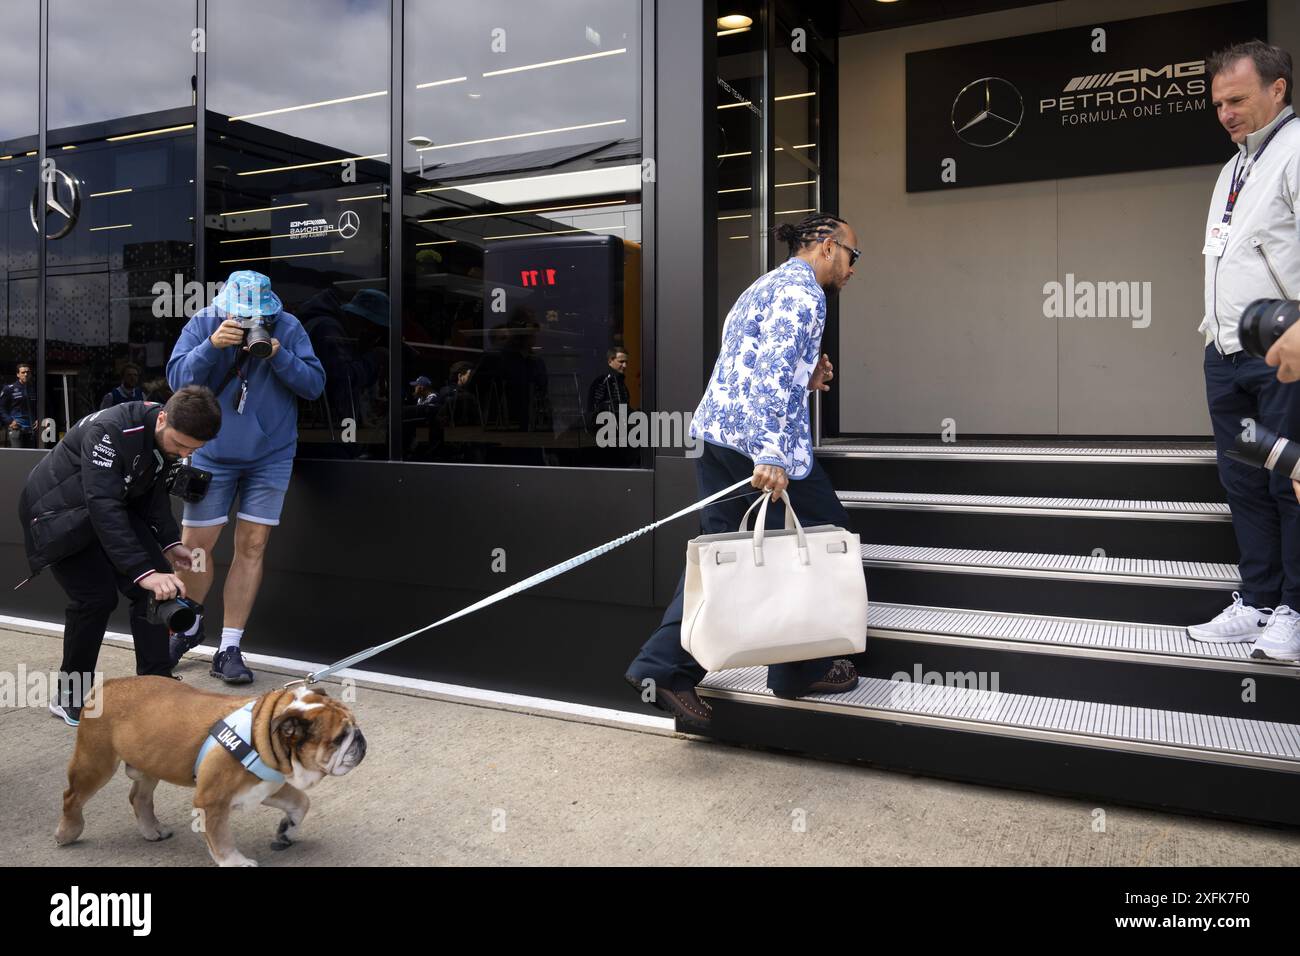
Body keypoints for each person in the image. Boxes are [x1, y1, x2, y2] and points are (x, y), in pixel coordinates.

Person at [624, 212, 863, 726]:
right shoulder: (805, 294)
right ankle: (799, 671)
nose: (853, 267)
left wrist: (808, 374)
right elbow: (772, 373)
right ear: (826, 247)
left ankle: (665, 667)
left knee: (721, 553)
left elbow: (752, 362)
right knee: (824, 535)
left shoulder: (765, 284)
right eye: (852, 255)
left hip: (719, 436)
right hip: (763, 444)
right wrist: (772, 453)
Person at [18, 386, 222, 725]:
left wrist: (171, 544)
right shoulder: (110, 431)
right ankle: (69, 695)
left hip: (105, 509)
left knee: (159, 591)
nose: (184, 453)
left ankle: (156, 686)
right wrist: (143, 570)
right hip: (57, 515)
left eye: (193, 449)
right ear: (162, 419)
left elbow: (151, 491)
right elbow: (103, 505)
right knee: (95, 599)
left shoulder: (163, 434)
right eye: (180, 444)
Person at [1190, 40, 1300, 663]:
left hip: (1284, 352)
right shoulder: (1233, 167)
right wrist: (1212, 328)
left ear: (1277, 89)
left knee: (1291, 479)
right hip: (1227, 353)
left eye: (1237, 99)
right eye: (1218, 103)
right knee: (1244, 480)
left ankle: (1295, 608)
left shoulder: (1296, 149)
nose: (1226, 112)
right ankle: (1257, 601)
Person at [164, 271, 325, 683]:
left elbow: (314, 385)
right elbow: (177, 382)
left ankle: (230, 646)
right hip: (210, 453)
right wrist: (211, 346)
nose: (250, 321)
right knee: (194, 548)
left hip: (269, 456)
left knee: (252, 546)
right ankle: (188, 625)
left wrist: (277, 353)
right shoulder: (204, 321)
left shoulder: (288, 327)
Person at [1, 362, 38, 448]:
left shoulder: (34, 389)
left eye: (28, 372)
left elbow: (41, 406)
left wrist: (39, 418)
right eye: (23, 372)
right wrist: (10, 421)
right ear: (18, 374)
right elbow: (1, 407)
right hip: (16, 428)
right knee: (17, 456)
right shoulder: (10, 389)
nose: (25, 374)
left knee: (30, 456)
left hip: (31, 430)